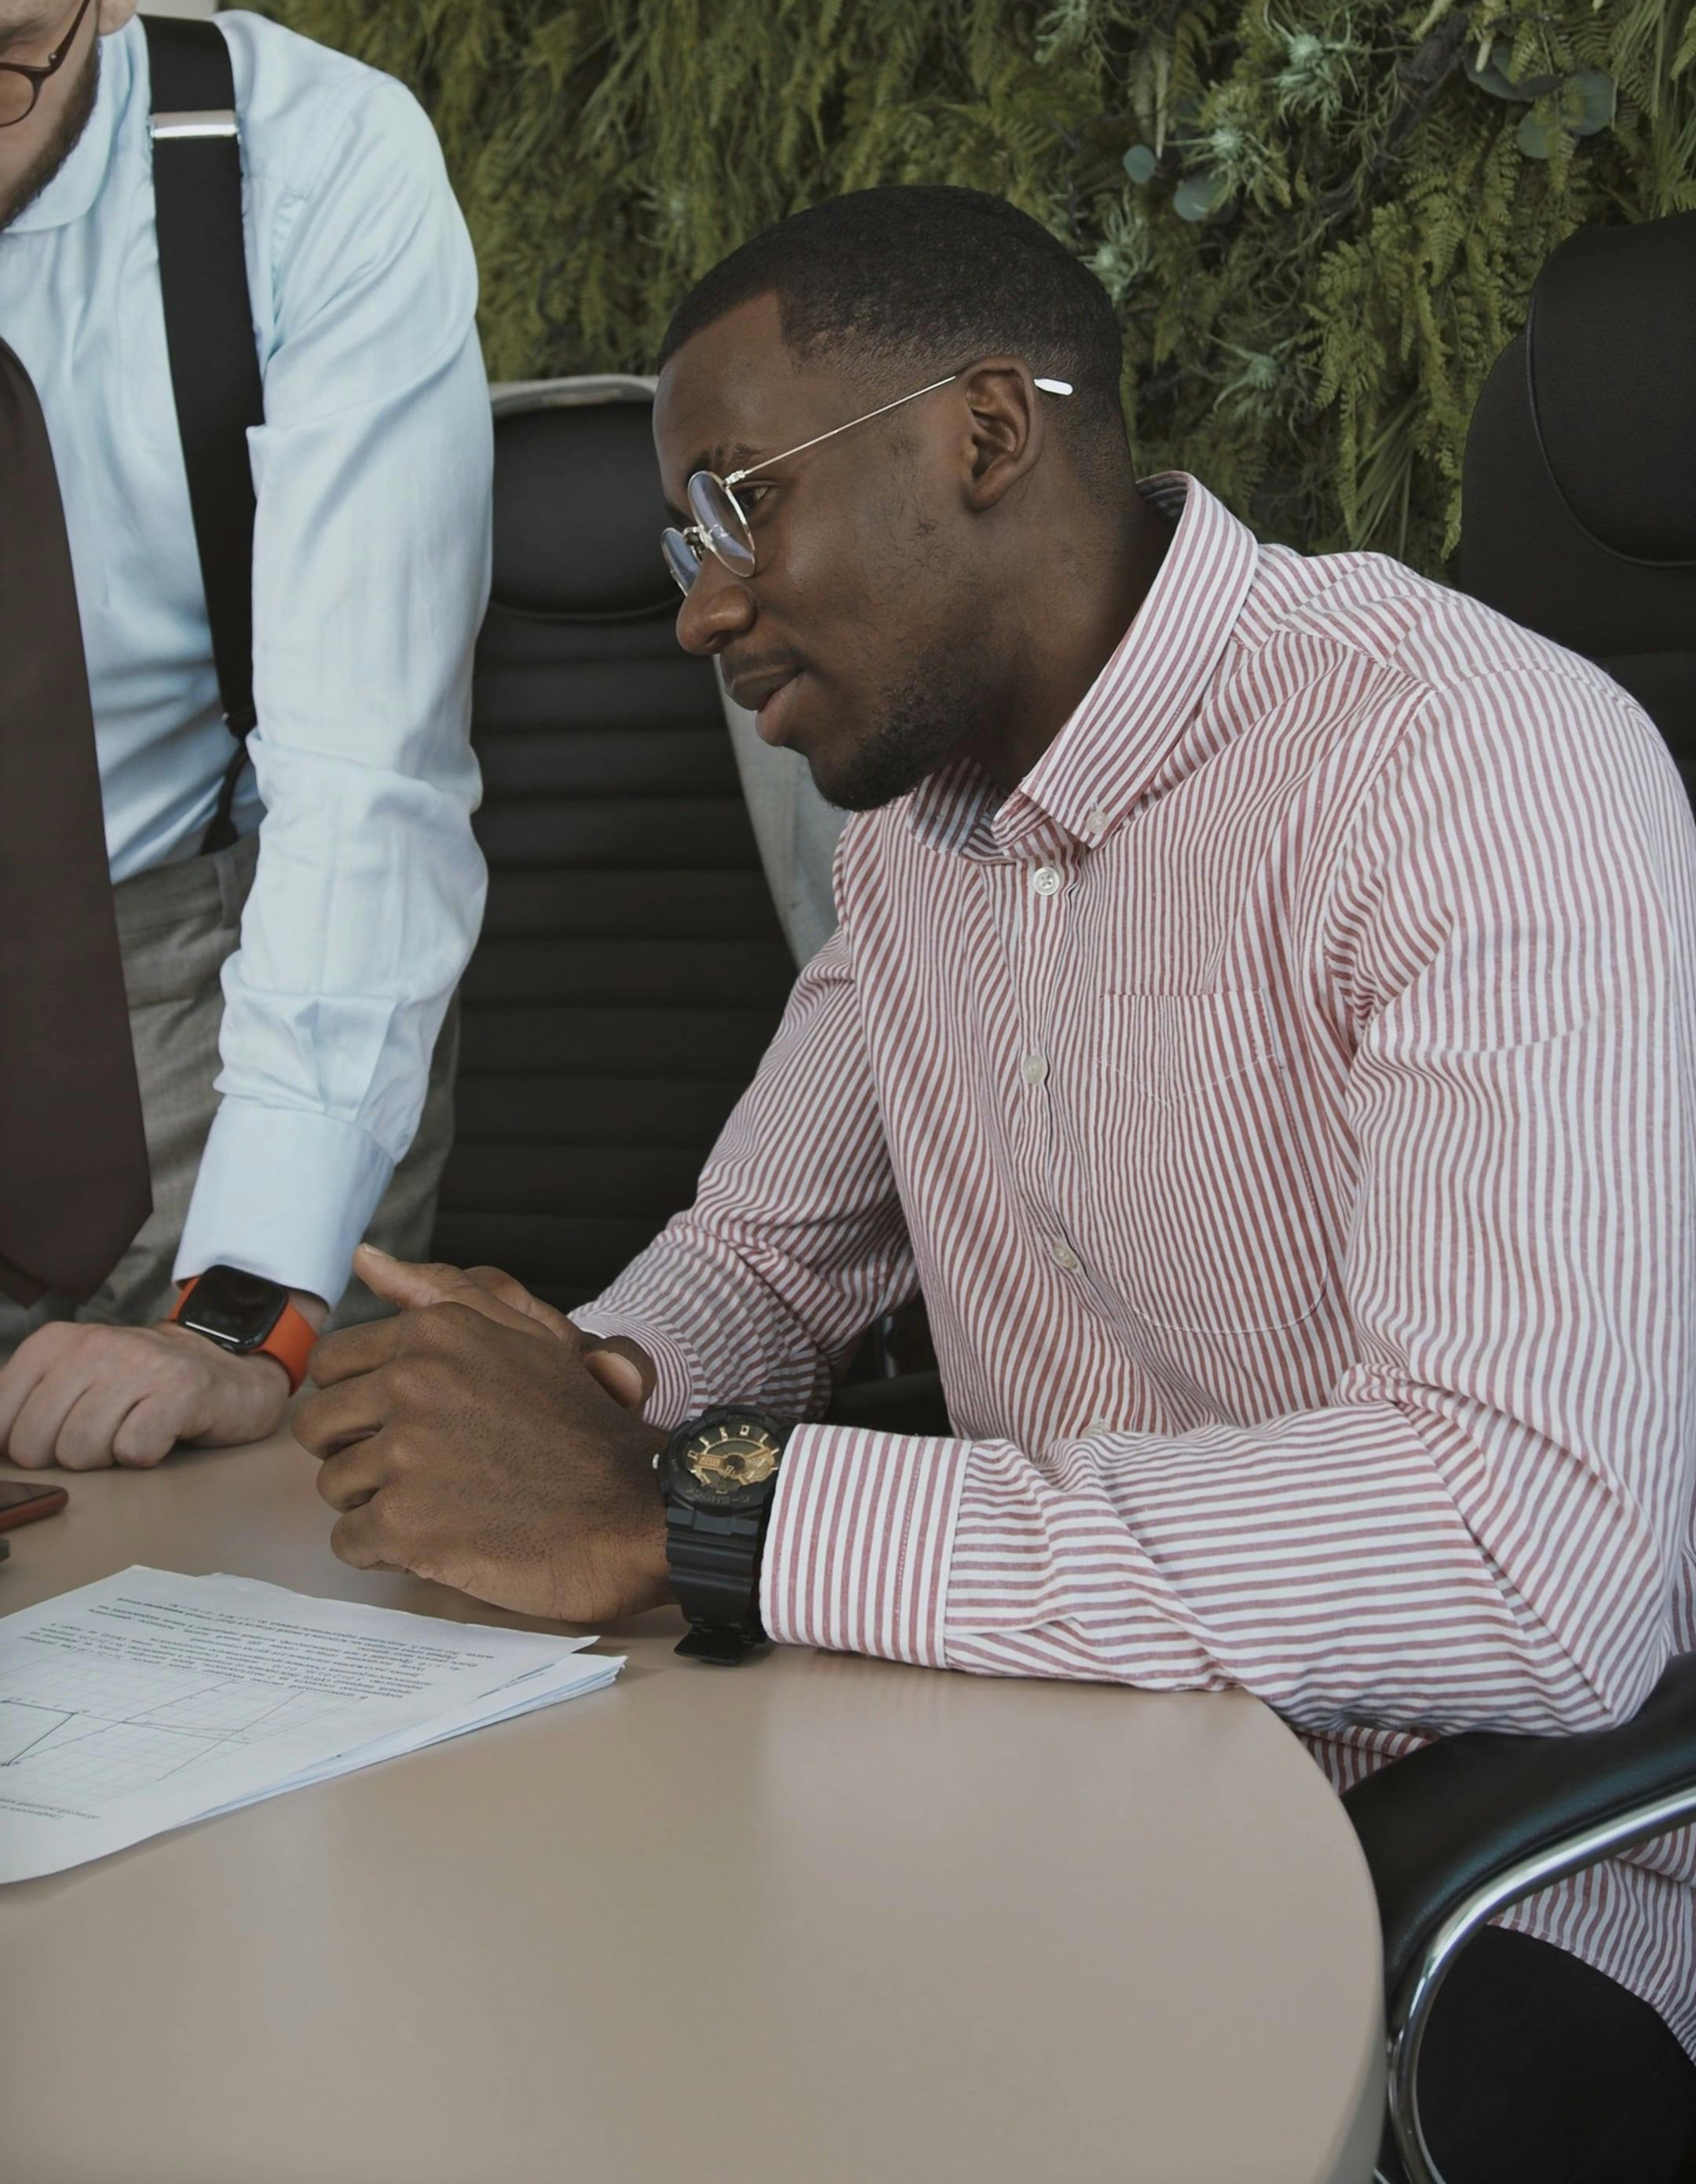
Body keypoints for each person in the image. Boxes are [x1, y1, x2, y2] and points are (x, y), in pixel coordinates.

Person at [295, 185, 1696, 2184]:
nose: (699, 610)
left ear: (982, 431)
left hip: (1477, 1869)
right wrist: (572, 1394)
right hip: (1040, 1757)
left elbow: (1521, 1554)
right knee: (496, 2021)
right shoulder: (912, 836)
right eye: (684, 543)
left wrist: (699, 1515)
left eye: (738, 508)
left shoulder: (1466, 765)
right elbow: (764, 1264)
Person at [0, 0, 491, 1471]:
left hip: (189, 1008)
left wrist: (249, 1300)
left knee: (194, 1558)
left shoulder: (310, 172)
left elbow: (366, 781)